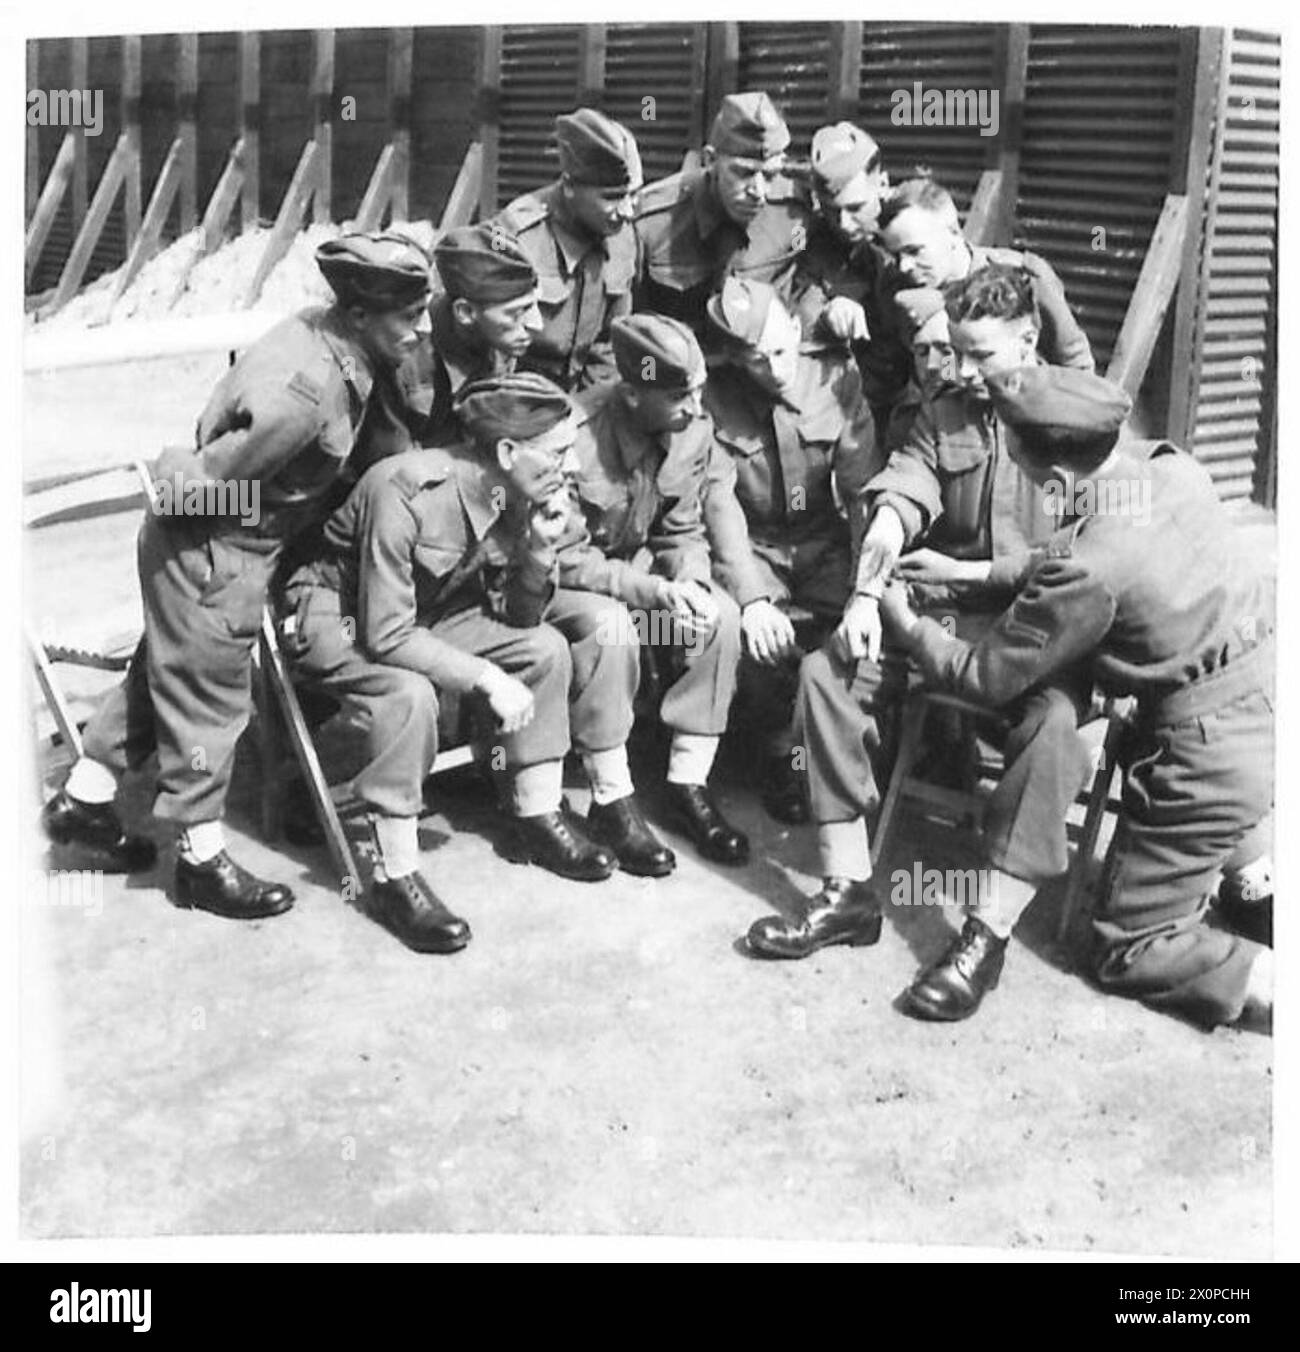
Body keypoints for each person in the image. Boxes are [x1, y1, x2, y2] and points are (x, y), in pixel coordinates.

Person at [42, 232, 435, 919]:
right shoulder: (307, 394)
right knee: (212, 704)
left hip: (225, 545)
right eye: (410, 317)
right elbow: (204, 488)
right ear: (364, 316)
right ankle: (198, 860)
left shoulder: (331, 339)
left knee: (167, 676)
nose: (422, 328)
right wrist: (179, 476)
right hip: (216, 548)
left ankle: (85, 800)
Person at [878, 364, 1274, 1031]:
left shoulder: (1091, 573)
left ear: (1056, 479)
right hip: (1263, 696)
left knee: (1128, 947)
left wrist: (911, 629)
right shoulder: (1169, 469)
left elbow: (987, 678)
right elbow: (1081, 544)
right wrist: (973, 570)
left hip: (1207, 750)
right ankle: (1259, 887)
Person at [744, 266, 1089, 975]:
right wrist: (870, 588)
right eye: (953, 351)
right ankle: (847, 892)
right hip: (934, 614)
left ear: (1028, 340)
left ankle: (984, 936)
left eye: (979, 354)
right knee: (826, 675)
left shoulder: (1082, 419)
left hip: (1035, 626)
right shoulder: (945, 410)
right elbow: (903, 489)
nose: (960, 369)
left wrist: (990, 578)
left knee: (1053, 727)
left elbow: (1094, 551)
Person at [280, 372, 632, 953]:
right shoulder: (408, 489)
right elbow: (386, 635)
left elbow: (519, 620)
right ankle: (395, 876)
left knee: (543, 648)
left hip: (426, 609)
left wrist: (541, 553)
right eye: (558, 454)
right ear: (507, 452)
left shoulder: (518, 493)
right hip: (335, 616)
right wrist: (485, 677)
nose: (570, 467)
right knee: (408, 693)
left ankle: (535, 815)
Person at [556, 312, 764, 868]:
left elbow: (681, 528)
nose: (694, 408)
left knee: (717, 613)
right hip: (572, 580)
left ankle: (686, 783)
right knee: (612, 626)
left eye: (696, 391)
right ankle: (611, 795)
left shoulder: (689, 429)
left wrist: (690, 580)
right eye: (677, 397)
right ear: (629, 394)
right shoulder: (572, 435)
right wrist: (649, 590)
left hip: (641, 567)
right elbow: (562, 558)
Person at [702, 275, 877, 823]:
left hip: (823, 542)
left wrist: (865, 587)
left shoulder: (836, 374)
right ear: (734, 358)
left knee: (846, 639)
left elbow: (860, 489)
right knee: (756, 637)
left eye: (781, 351)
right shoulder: (711, 392)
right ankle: (778, 756)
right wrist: (752, 598)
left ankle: (821, 753)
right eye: (755, 360)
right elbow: (718, 501)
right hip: (754, 546)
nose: (774, 369)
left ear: (797, 331)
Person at [634, 91, 813, 344]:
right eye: (743, 174)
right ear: (710, 160)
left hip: (761, 368)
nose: (759, 192)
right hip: (677, 372)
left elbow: (808, 279)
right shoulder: (653, 222)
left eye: (771, 175)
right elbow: (626, 324)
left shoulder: (794, 213)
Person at [876, 174, 1094, 378]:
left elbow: (1075, 363)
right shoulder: (899, 291)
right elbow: (926, 382)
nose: (904, 265)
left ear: (953, 231)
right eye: (896, 255)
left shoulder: (1022, 276)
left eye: (915, 251)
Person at [494, 107, 642, 392]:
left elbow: (609, 345)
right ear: (570, 187)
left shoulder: (622, 233)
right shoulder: (514, 233)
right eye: (612, 198)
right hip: (518, 396)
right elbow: (492, 348)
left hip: (586, 397)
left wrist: (590, 410)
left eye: (632, 195)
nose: (626, 211)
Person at [789, 121, 911, 435]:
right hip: (848, 408)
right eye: (831, 210)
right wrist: (827, 313)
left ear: (882, 182)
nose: (843, 223)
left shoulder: (914, 232)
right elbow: (797, 302)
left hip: (913, 408)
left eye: (855, 208)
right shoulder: (813, 242)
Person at [418, 223, 543, 444]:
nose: (536, 325)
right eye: (516, 313)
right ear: (465, 312)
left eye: (532, 306)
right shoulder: (407, 353)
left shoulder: (499, 342)